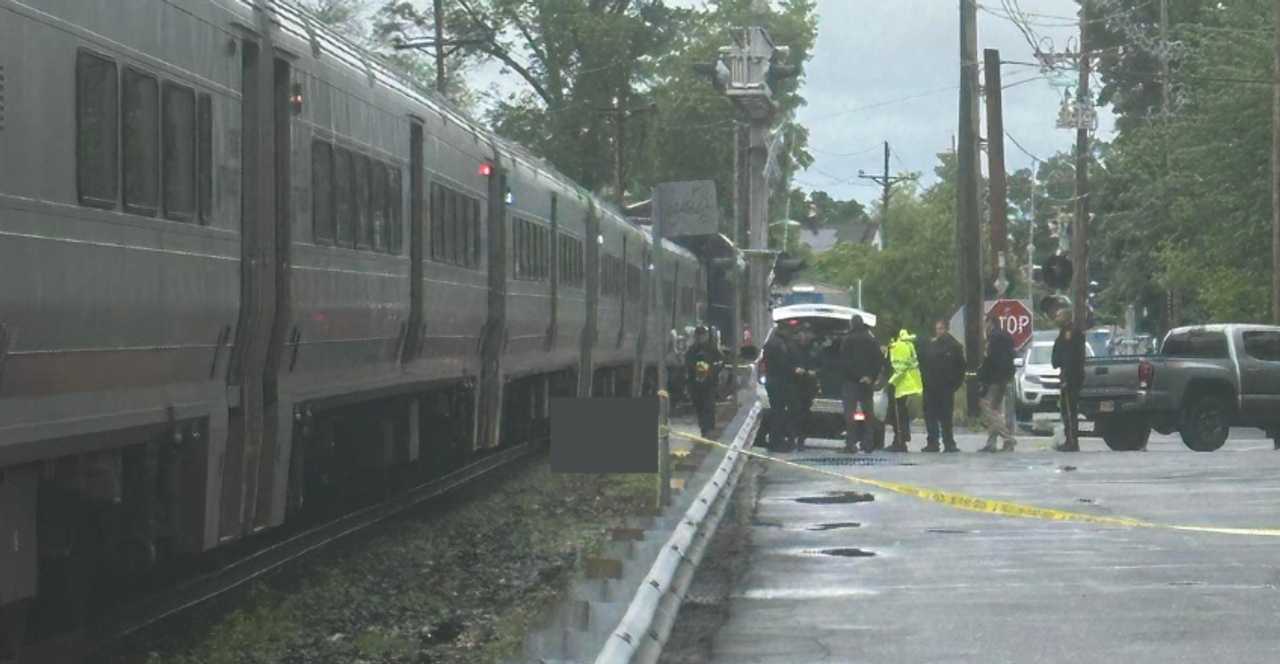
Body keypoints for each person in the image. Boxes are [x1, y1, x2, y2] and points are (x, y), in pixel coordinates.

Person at [839, 315, 883, 453]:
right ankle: (868, 444)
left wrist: (857, 376)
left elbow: (844, 362)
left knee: (850, 414)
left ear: (852, 324)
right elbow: (879, 360)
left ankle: (850, 444)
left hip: (851, 382)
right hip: (867, 383)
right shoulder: (871, 340)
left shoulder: (847, 339)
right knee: (868, 414)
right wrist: (870, 377)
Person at [921, 319, 966, 453]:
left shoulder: (954, 346)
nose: (938, 331)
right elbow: (924, 364)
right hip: (930, 387)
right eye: (937, 328)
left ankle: (949, 443)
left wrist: (954, 385)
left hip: (946, 388)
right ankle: (933, 443)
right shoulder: (931, 345)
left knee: (946, 417)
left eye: (941, 328)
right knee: (930, 416)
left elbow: (961, 368)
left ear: (946, 329)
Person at [977, 312, 1018, 452]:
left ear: (991, 323)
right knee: (1003, 412)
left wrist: (983, 378)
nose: (984, 326)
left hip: (996, 380)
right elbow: (1012, 356)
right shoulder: (1007, 337)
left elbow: (991, 361)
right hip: (1008, 378)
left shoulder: (993, 339)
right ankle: (996, 443)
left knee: (989, 410)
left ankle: (1007, 438)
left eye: (985, 322)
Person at [762, 319, 803, 452]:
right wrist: (794, 370)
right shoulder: (778, 344)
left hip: (774, 381)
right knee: (779, 412)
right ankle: (776, 442)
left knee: (778, 411)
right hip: (779, 381)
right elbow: (781, 364)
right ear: (784, 330)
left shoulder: (774, 342)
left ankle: (778, 440)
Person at [1052, 309, 1088, 452]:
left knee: (1069, 410)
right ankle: (1069, 439)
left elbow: (1070, 358)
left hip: (1071, 376)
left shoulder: (1071, 333)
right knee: (1066, 410)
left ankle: (1072, 442)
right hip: (1069, 374)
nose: (1056, 317)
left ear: (1066, 317)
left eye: (1059, 315)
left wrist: (1066, 378)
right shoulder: (1065, 332)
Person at [887, 329, 924, 453]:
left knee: (897, 415)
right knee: (902, 414)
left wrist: (891, 382)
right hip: (907, 384)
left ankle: (899, 442)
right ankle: (901, 439)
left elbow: (900, 368)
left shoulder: (899, 346)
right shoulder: (908, 344)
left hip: (900, 386)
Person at [685, 325, 723, 438]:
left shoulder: (712, 349)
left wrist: (712, 371)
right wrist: (696, 370)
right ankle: (704, 429)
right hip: (696, 385)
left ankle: (709, 429)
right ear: (696, 336)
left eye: (703, 335)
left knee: (709, 406)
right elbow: (688, 365)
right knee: (700, 407)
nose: (701, 338)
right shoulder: (692, 350)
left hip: (709, 384)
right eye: (699, 335)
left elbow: (720, 361)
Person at [792, 322, 821, 450]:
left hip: (808, 386)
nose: (804, 336)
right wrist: (794, 370)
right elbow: (785, 362)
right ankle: (793, 438)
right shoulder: (792, 348)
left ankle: (801, 439)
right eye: (801, 333)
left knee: (804, 413)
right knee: (795, 412)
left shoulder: (814, 349)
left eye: (806, 333)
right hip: (794, 384)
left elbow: (822, 365)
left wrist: (815, 372)